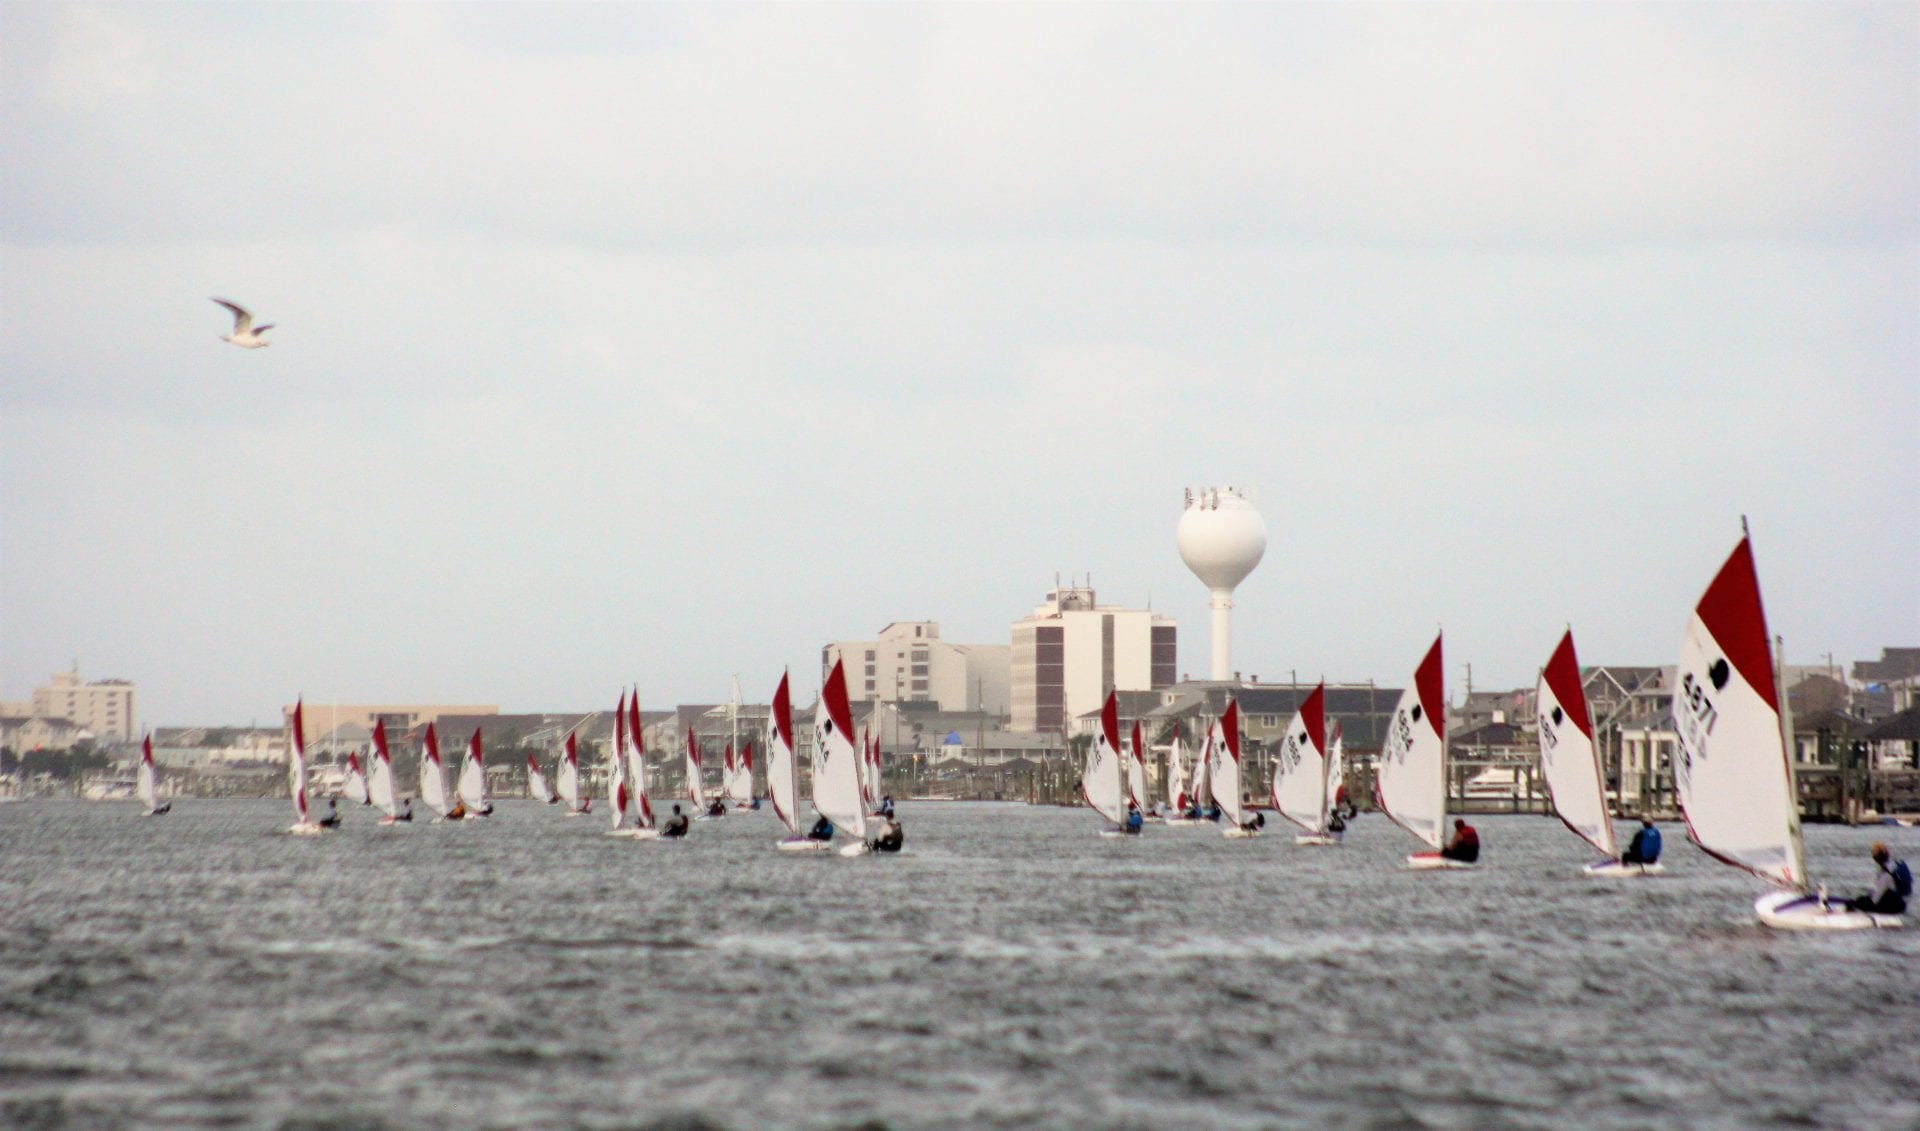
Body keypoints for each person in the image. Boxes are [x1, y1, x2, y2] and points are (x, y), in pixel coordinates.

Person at [1847, 843, 1911, 915]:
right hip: (1904, 903)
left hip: (1895, 908)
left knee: (1860, 901)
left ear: (1875, 859)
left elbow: (1874, 901)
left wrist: (1855, 903)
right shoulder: (1899, 864)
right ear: (1888, 854)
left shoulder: (1885, 874)